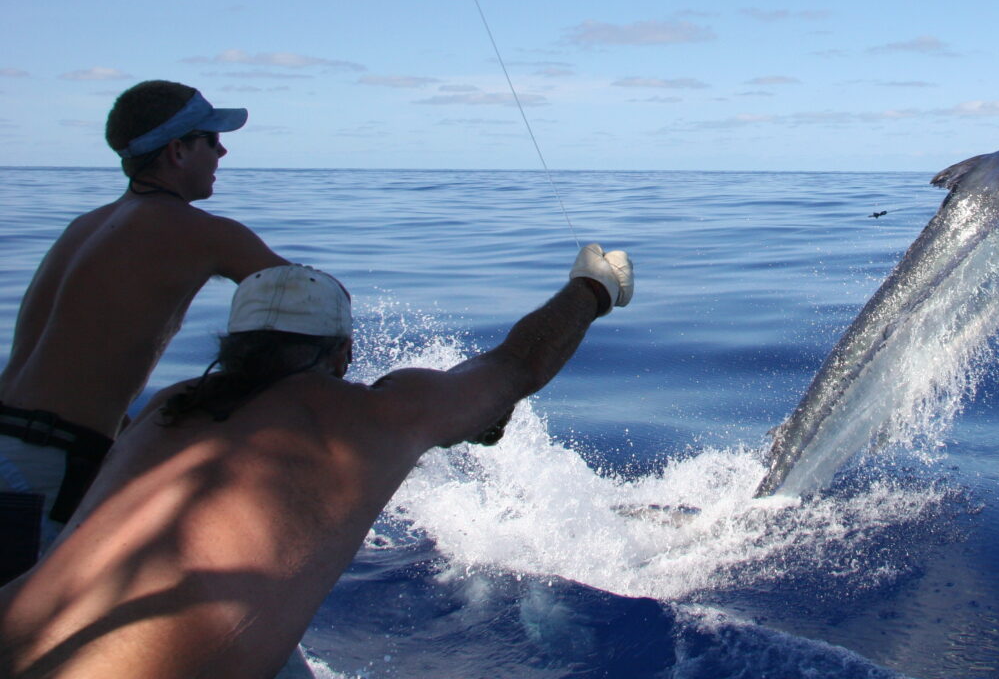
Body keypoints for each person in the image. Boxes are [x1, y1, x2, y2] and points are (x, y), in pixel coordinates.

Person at [0, 250, 632, 679]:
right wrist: (593, 287)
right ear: (341, 353)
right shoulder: (370, 416)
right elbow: (515, 366)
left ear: (233, 343)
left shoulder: (170, 405)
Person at [0, 81, 288, 581]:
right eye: (211, 140)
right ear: (178, 151)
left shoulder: (84, 226)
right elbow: (317, 299)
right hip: (48, 475)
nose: (223, 150)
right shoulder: (200, 232)